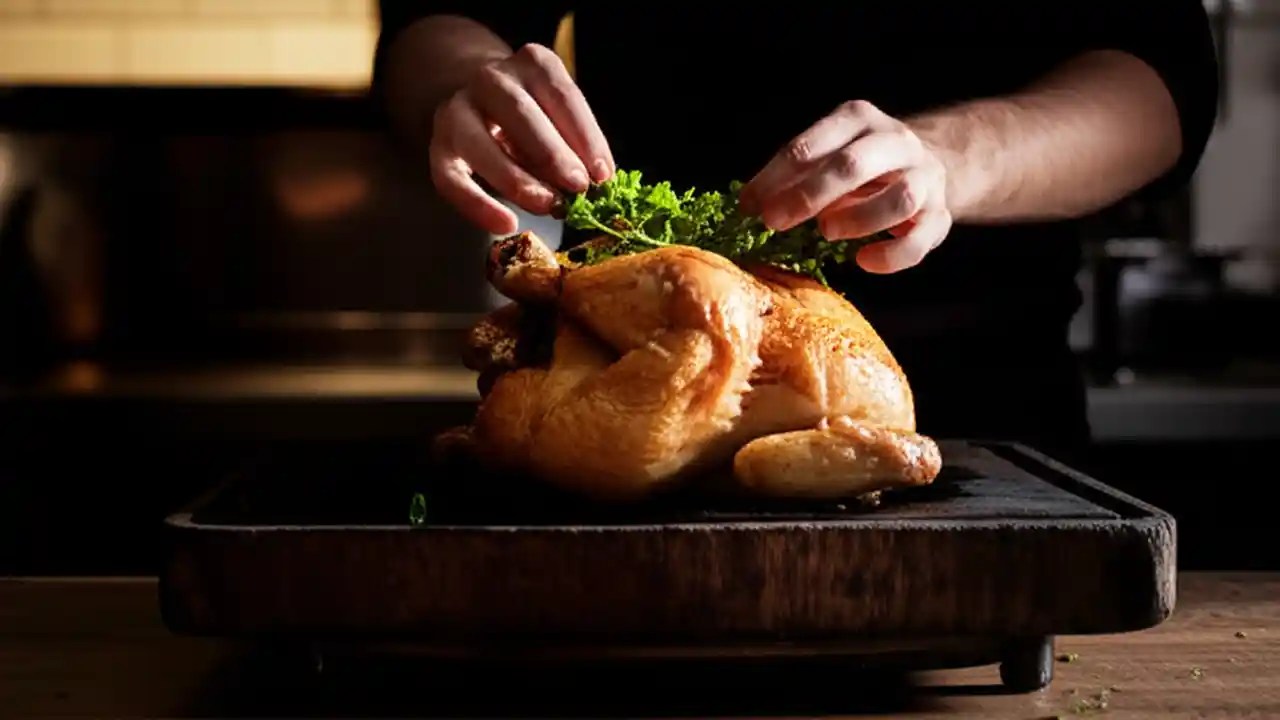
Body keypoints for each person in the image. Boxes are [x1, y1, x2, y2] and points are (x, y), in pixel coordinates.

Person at [371, 2, 1219, 464]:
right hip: (615, 372)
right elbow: (431, 18)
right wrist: (466, 80)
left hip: (991, 427)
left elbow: (1162, 80)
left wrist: (950, 158)